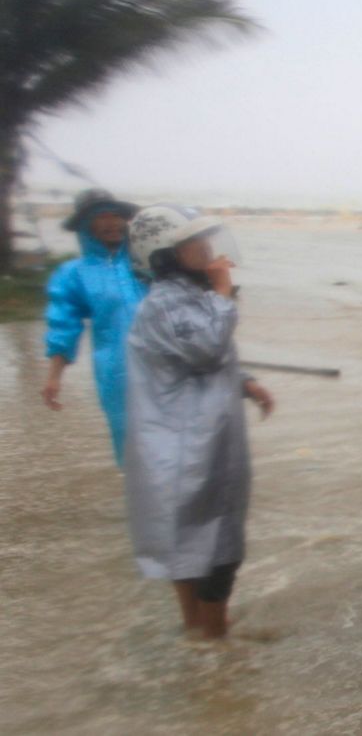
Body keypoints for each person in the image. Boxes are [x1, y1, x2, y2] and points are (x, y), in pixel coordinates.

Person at [123, 205, 273, 640]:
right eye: (193, 243)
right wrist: (224, 291)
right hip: (192, 448)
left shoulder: (186, 298)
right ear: (163, 253)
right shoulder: (165, 304)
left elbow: (195, 360)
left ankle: (196, 633)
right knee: (216, 547)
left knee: (189, 543)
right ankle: (214, 643)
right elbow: (206, 348)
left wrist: (244, 382)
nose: (207, 249)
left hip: (190, 442)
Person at [42, 188, 147, 465]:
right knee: (131, 446)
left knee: (179, 440)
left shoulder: (146, 261)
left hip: (163, 364)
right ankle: (141, 503)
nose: (111, 222)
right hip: (117, 371)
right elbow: (63, 325)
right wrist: (54, 376)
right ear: (85, 224)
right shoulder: (74, 273)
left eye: (116, 215)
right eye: (101, 216)